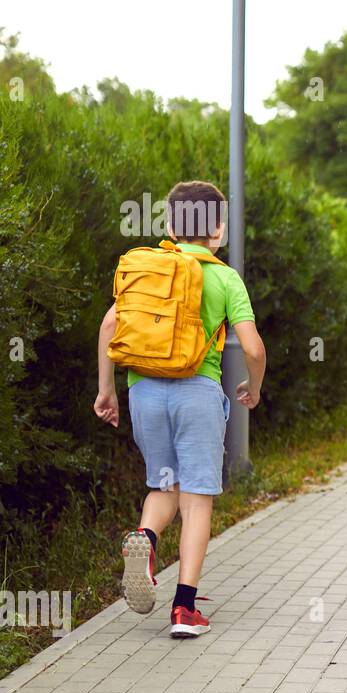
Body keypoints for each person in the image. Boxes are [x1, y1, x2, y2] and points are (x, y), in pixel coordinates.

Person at [94, 180, 266, 638]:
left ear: (169, 225)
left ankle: (145, 542)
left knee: (162, 484)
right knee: (196, 499)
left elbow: (110, 324)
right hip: (196, 393)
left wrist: (106, 390)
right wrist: (255, 385)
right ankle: (184, 609)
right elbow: (252, 346)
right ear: (219, 231)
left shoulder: (148, 268)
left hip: (144, 391)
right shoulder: (225, 277)